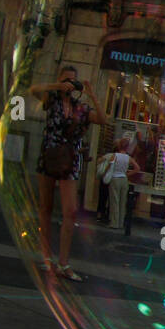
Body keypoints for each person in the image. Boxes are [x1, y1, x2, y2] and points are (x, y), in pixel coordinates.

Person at [29, 67, 108, 280]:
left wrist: (92, 94)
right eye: (67, 80)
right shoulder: (51, 100)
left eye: (73, 81)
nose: (70, 84)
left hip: (69, 160)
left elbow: (102, 119)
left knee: (70, 211)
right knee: (45, 208)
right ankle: (47, 258)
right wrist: (57, 85)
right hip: (49, 156)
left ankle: (64, 262)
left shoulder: (80, 108)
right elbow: (33, 89)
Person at [103, 137, 140, 232]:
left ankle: (114, 223)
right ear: (127, 147)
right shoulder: (128, 158)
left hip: (115, 178)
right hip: (124, 179)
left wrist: (105, 173)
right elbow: (137, 168)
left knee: (114, 200)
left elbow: (108, 166)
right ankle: (120, 223)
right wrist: (128, 174)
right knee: (123, 202)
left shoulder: (115, 156)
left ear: (119, 146)